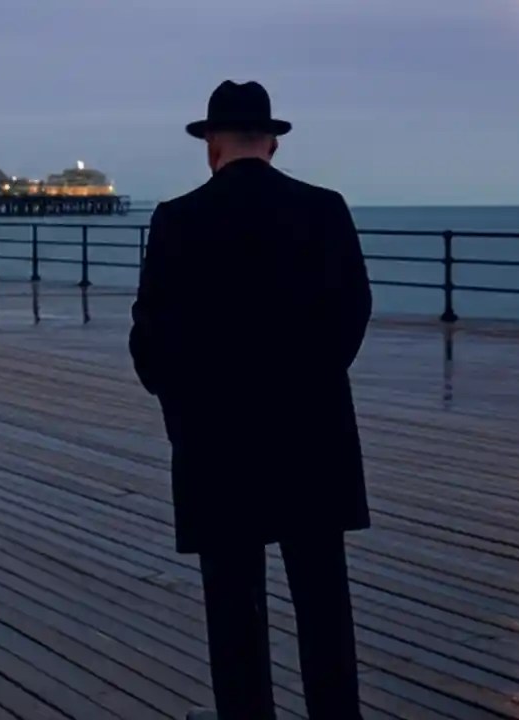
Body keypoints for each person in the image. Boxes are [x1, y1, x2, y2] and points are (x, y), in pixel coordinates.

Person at [129, 80, 372, 720]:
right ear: (271, 142)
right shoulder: (324, 209)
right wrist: (312, 381)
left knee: (232, 605)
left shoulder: (177, 219)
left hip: (215, 441)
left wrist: (183, 408)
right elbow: (352, 313)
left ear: (211, 145)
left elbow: (151, 337)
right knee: (323, 599)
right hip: (312, 434)